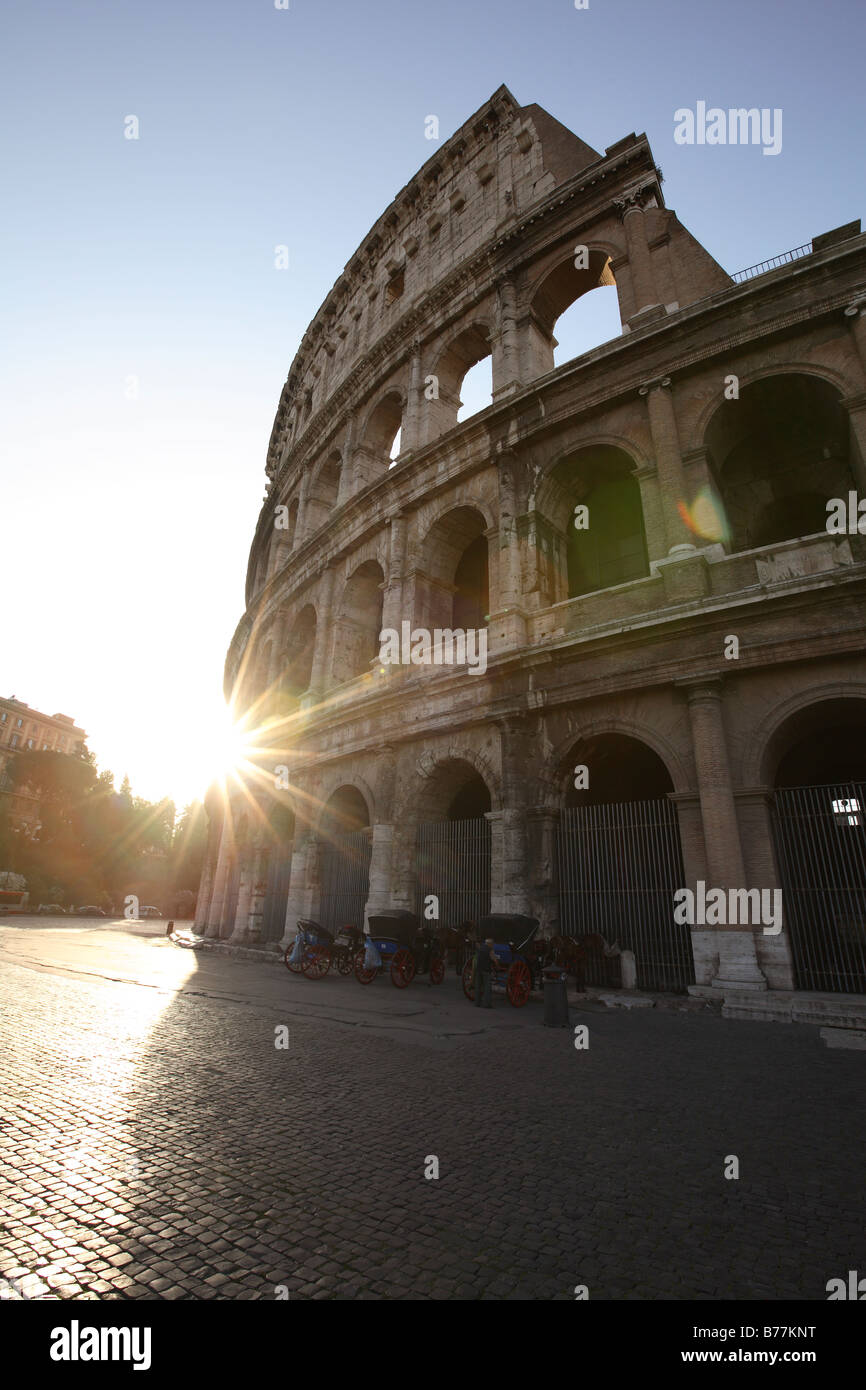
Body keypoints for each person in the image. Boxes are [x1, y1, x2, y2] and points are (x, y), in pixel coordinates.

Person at [473, 936, 498, 1008]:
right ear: (490, 944)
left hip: (478, 969)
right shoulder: (490, 950)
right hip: (486, 970)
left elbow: (477, 958)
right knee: (487, 988)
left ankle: (477, 1003)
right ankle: (486, 1004)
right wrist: (498, 966)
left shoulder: (480, 948)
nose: (493, 945)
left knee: (478, 986)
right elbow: (495, 960)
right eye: (492, 944)